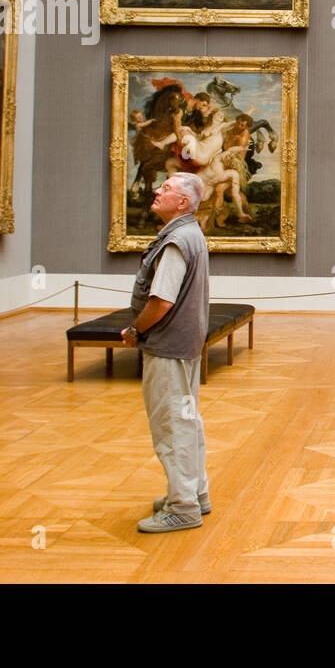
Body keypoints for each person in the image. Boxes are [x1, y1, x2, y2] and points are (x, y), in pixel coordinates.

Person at [121, 172, 212, 533]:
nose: (157, 190)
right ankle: (195, 493)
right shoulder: (191, 234)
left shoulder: (177, 240)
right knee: (188, 421)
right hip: (185, 346)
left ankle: (182, 507)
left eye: (167, 188)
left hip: (168, 348)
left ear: (184, 202)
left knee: (172, 427)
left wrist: (135, 330)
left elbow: (161, 300)